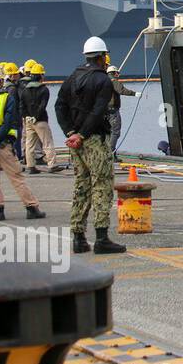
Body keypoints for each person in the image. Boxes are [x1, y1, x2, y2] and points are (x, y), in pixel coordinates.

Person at [55, 36, 124, 255]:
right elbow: (98, 111)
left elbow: (59, 106)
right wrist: (82, 134)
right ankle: (102, 238)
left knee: (81, 187)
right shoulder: (103, 80)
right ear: (103, 57)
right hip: (93, 140)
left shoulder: (73, 77)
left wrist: (70, 132)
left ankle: (78, 237)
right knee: (102, 185)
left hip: (76, 144)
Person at [0, 64, 45, 222]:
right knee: (16, 177)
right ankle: (31, 207)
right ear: (0, 81)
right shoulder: (7, 98)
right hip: (3, 145)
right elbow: (8, 123)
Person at [19, 61, 62, 174]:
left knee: (29, 144)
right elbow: (43, 105)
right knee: (47, 142)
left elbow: (21, 105)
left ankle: (30, 166)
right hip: (40, 120)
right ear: (41, 76)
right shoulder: (44, 90)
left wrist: (26, 116)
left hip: (28, 121)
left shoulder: (25, 89)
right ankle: (52, 165)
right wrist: (36, 117)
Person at [106, 64, 137, 160]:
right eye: (117, 73)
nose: (118, 75)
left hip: (103, 112)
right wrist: (135, 94)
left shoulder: (102, 81)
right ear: (114, 73)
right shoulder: (113, 81)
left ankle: (108, 154)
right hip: (112, 112)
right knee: (115, 132)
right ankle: (110, 155)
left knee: (108, 133)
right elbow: (121, 90)